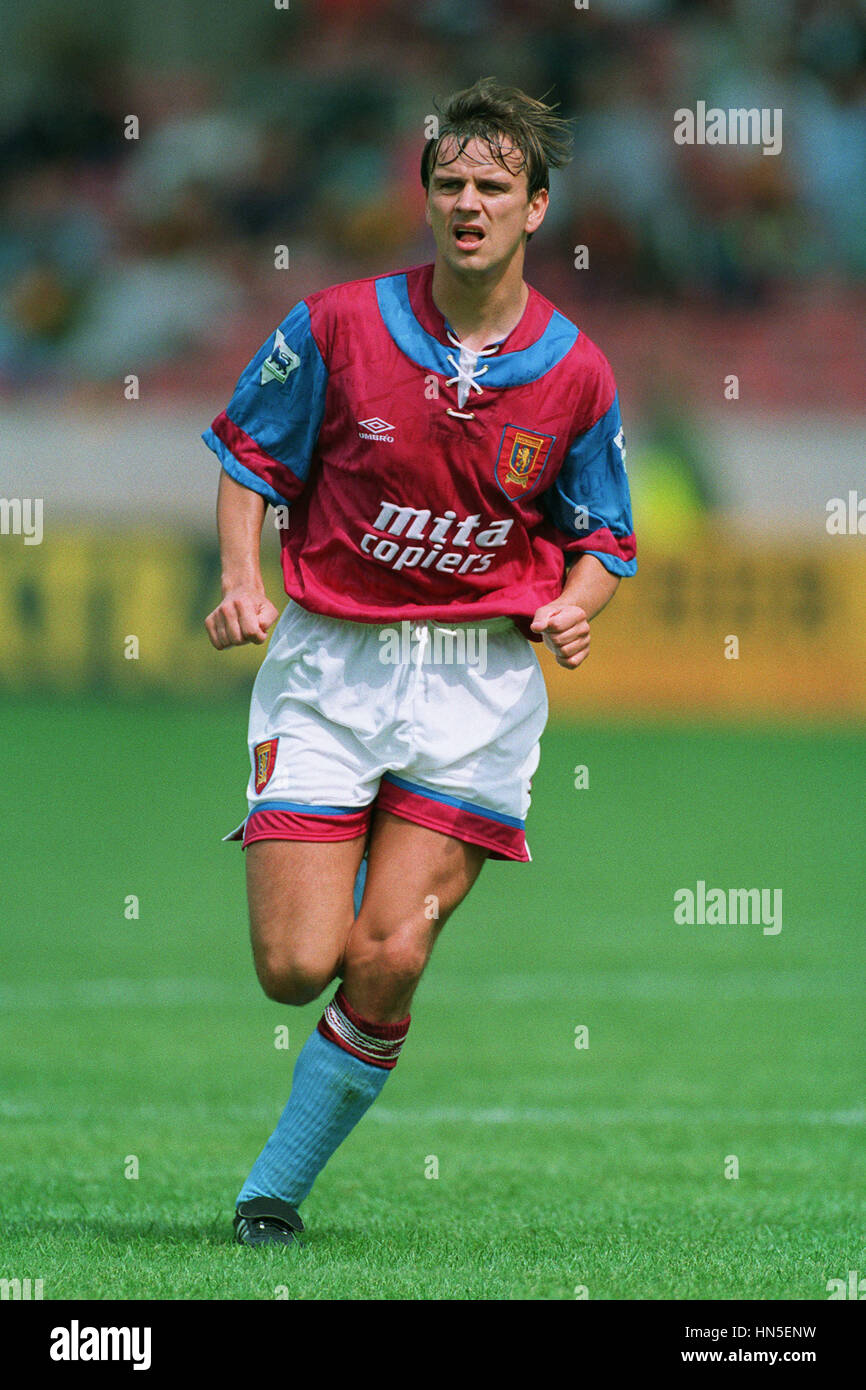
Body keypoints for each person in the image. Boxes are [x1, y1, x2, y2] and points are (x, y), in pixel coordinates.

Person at [202, 78, 636, 1247]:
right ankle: (329, 866)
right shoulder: (336, 325)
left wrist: (577, 607)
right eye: (448, 181)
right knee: (297, 967)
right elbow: (249, 458)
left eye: (492, 185)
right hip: (333, 667)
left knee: (388, 951)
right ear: (426, 195)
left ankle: (271, 1194)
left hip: (476, 688)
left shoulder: (574, 372)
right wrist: (243, 577)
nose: (466, 202)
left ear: (535, 206)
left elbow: (603, 536)